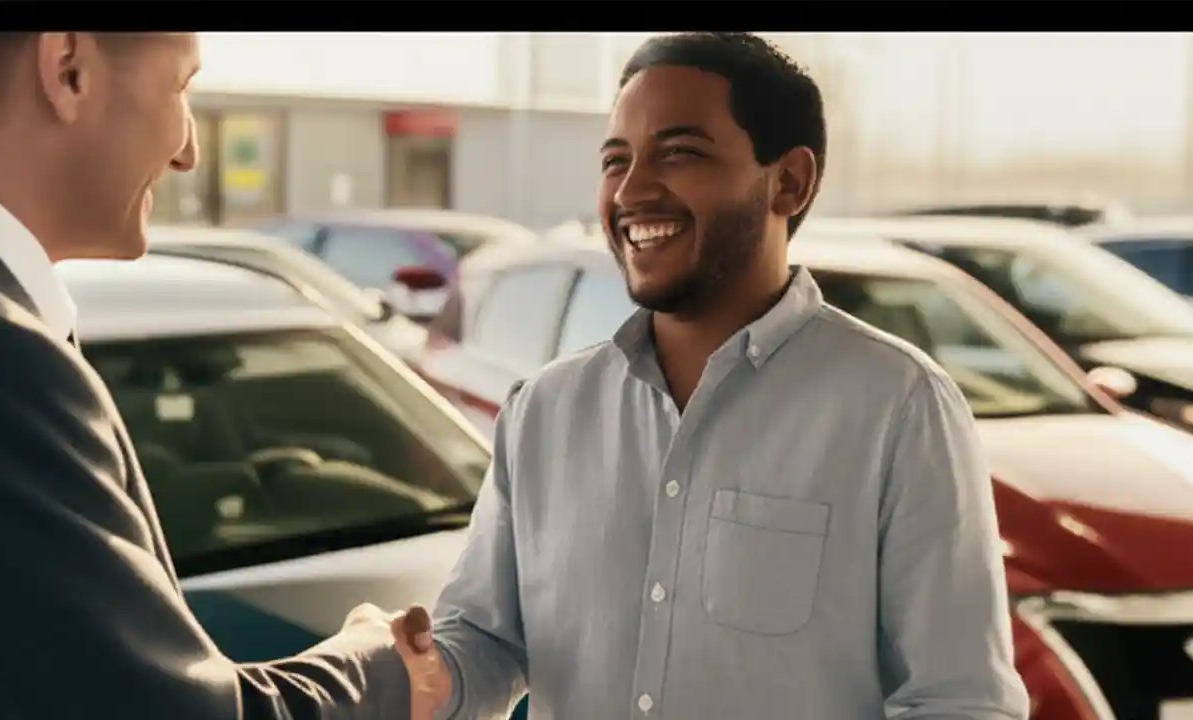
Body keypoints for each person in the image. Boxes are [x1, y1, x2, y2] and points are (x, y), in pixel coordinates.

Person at [394, 32, 1030, 718]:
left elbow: (959, 702)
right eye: (616, 160)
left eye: (679, 153)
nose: (632, 190)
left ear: (789, 180)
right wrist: (421, 669)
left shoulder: (897, 407)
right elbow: (486, 640)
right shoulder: (544, 410)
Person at [0, 32, 415, 718]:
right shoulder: (3, 359)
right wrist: (381, 665)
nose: (188, 152)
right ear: (68, 69)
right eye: (181, 87)